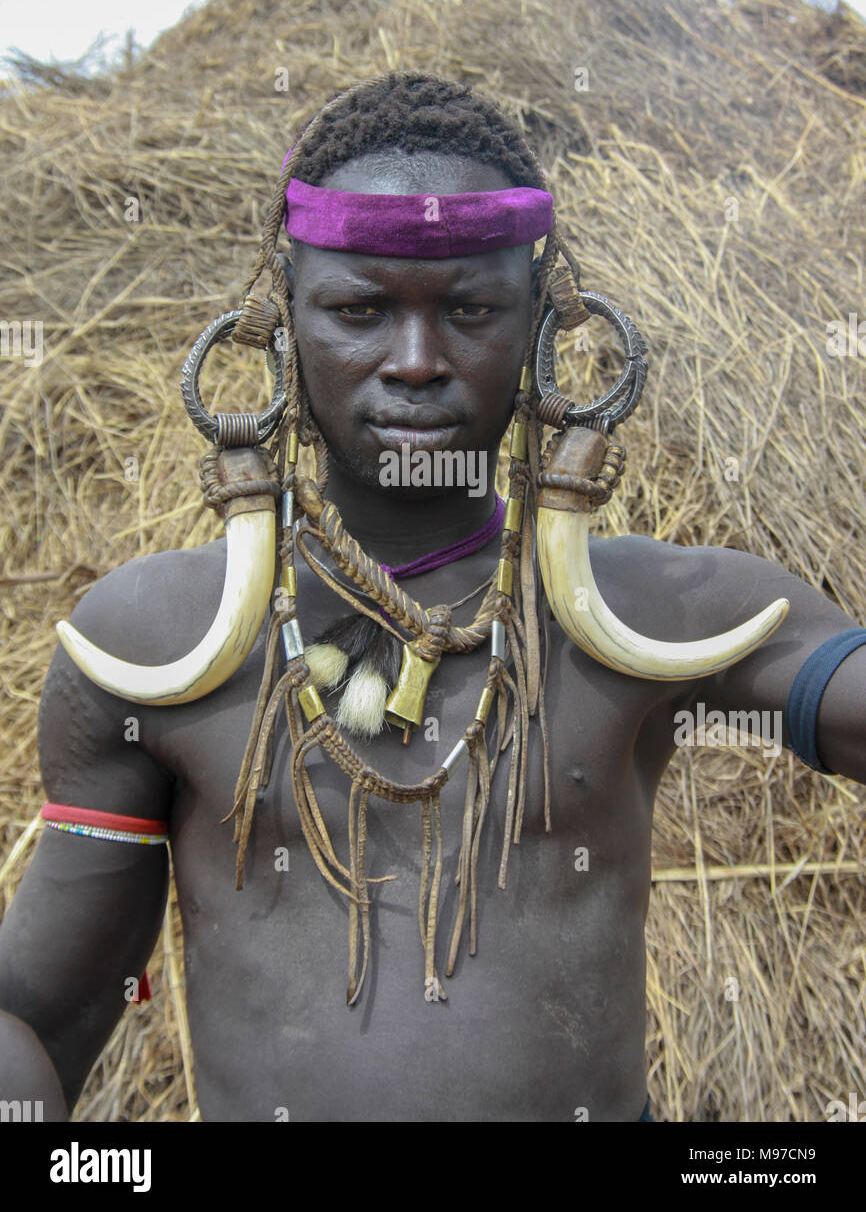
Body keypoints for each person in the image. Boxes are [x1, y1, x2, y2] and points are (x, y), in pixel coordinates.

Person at [0, 71, 863, 1123]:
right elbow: (43, 1010)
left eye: (470, 309)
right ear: (281, 319)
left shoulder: (660, 608)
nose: (415, 362)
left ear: (542, 322)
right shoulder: (153, 643)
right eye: (359, 309)